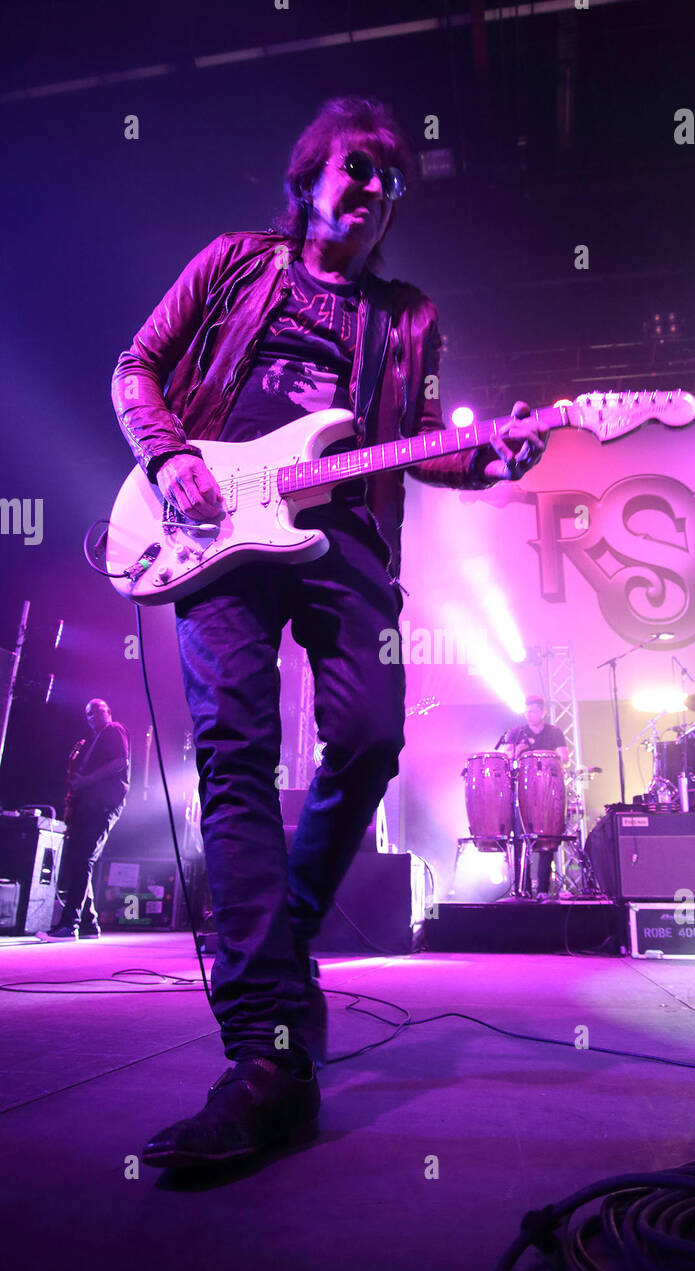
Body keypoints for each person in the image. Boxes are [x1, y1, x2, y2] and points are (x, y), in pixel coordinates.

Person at [110, 95, 549, 1168]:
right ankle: (262, 1042)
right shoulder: (232, 264)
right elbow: (138, 366)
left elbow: (408, 446)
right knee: (237, 756)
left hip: (340, 535)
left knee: (367, 738)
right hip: (210, 522)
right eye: (356, 171)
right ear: (307, 175)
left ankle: (281, 938)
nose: (372, 193)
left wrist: (489, 455)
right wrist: (171, 457)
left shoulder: (406, 317)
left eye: (391, 184)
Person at [40, 699, 129, 941]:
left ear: (108, 712)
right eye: (88, 714)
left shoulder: (114, 730)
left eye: (97, 711)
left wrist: (86, 781)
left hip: (104, 805)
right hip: (89, 806)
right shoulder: (93, 740)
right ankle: (89, 924)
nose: (92, 717)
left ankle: (70, 925)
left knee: (82, 859)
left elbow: (121, 762)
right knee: (81, 861)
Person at [501, 696, 568, 898]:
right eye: (527, 711)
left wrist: (544, 756)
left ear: (543, 712)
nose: (529, 714)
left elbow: (564, 758)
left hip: (548, 791)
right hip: (522, 791)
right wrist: (518, 751)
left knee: (547, 837)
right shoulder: (516, 733)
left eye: (533, 711)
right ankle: (523, 888)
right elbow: (506, 757)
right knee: (520, 837)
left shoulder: (554, 732)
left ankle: (543, 890)